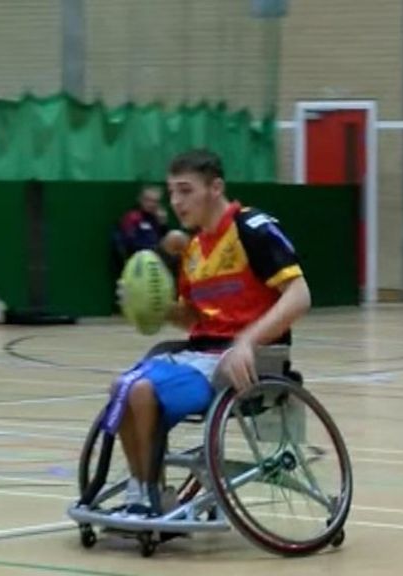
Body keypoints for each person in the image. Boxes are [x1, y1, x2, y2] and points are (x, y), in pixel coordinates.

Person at [102, 149, 311, 516]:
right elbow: (194, 318)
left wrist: (247, 340)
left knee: (141, 389)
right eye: (172, 192)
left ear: (215, 188)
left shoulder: (252, 228)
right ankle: (144, 492)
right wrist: (148, 305)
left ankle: (147, 496)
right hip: (200, 355)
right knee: (122, 385)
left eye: (186, 190)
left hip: (250, 361)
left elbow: (299, 296)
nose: (176, 201)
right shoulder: (194, 250)